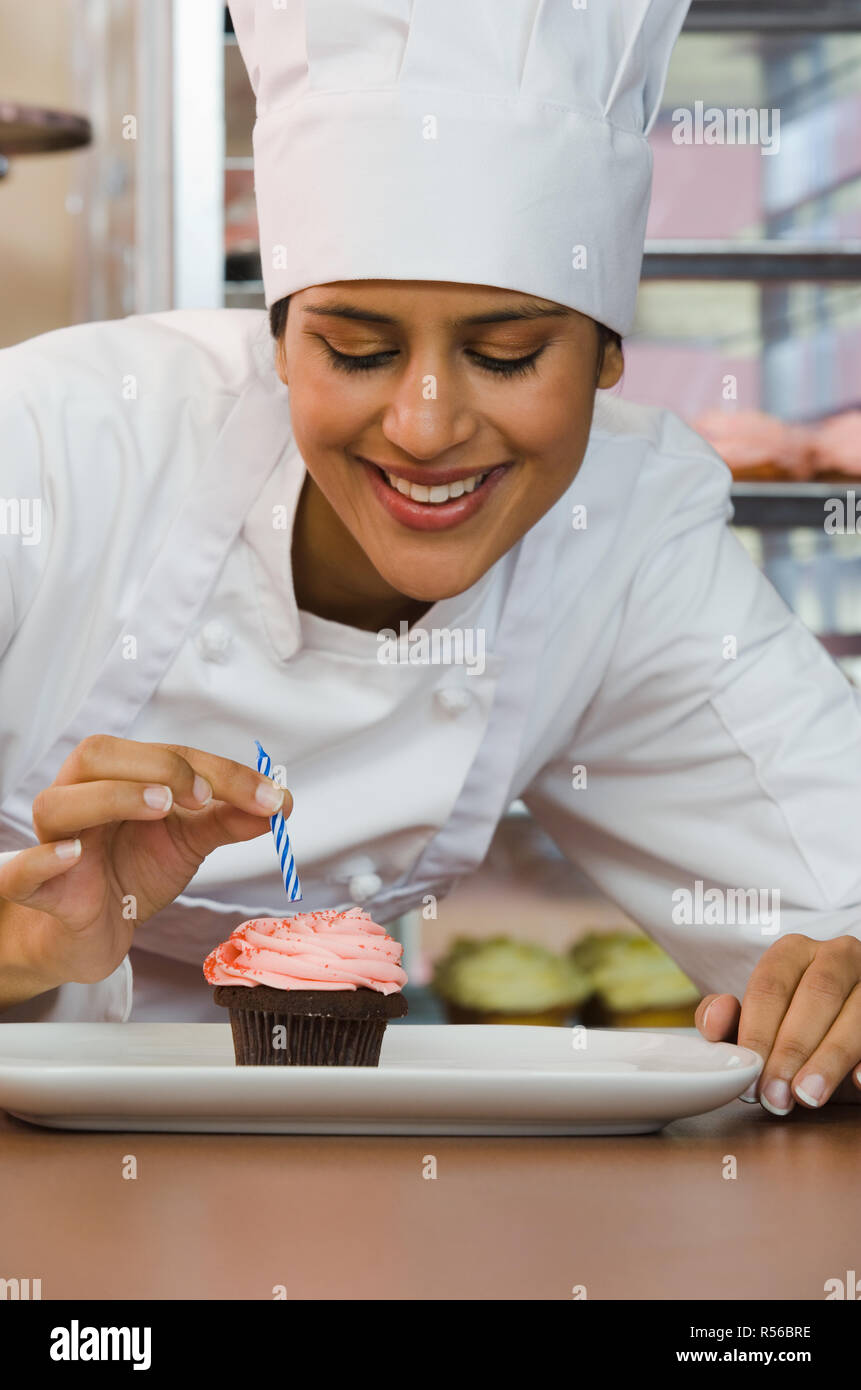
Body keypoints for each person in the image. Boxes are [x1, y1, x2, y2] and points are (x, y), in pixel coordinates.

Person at [1, 0, 859, 1119]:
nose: (423, 424)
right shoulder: (48, 449)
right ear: (278, 339)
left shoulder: (626, 534)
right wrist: (21, 946)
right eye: (356, 349)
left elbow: (832, 882)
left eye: (506, 355)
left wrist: (837, 991)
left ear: (608, 355)